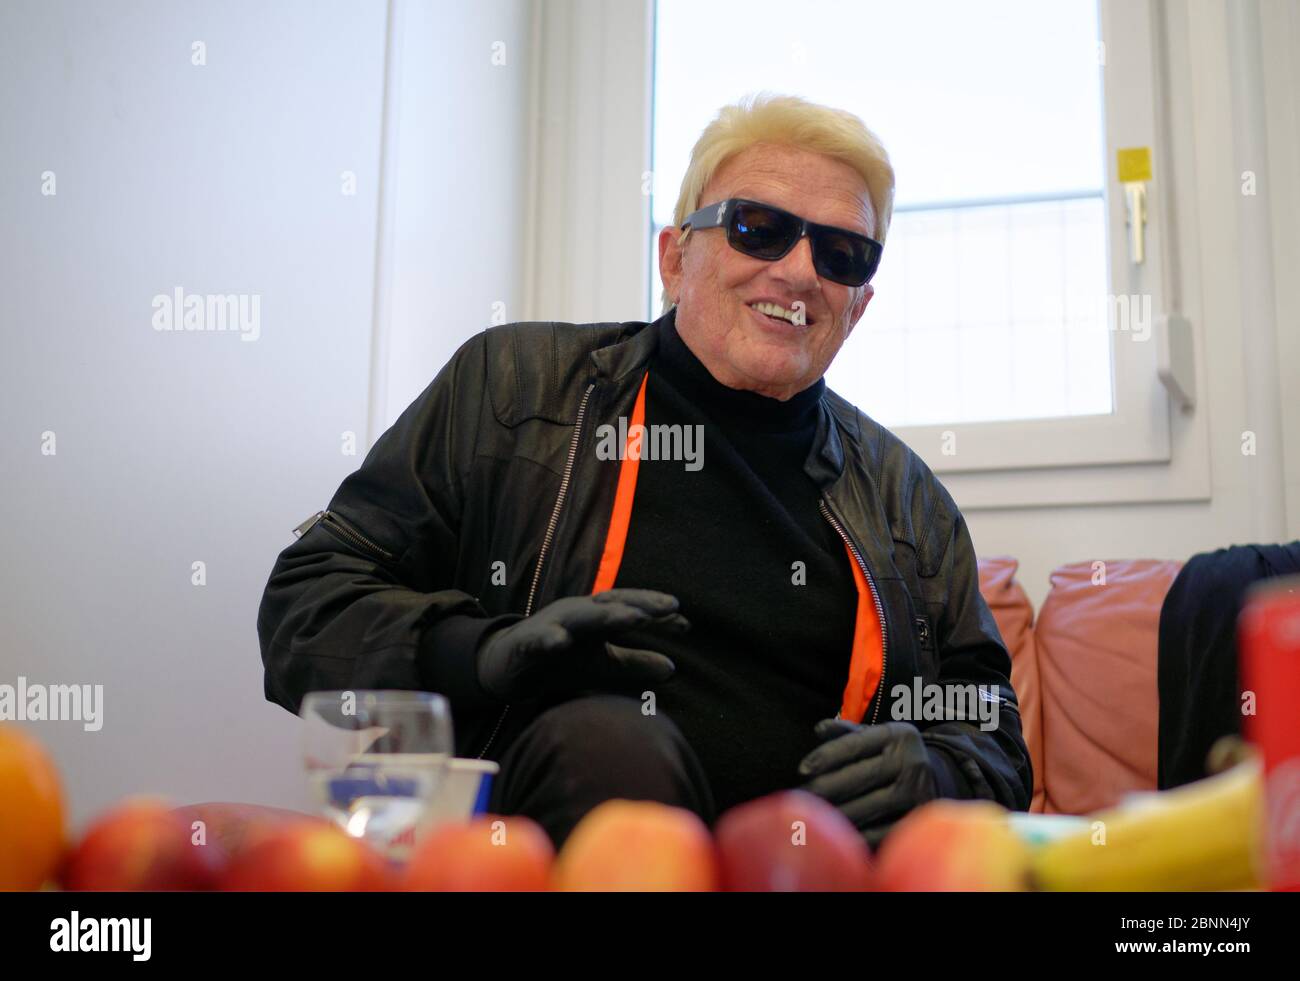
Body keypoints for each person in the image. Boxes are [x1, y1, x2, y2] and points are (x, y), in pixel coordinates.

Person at [258, 92, 1032, 850]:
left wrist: (941, 769)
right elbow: (307, 605)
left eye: (841, 253)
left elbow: (988, 722)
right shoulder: (513, 390)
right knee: (606, 743)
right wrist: (482, 651)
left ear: (857, 304)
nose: (799, 272)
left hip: (808, 865)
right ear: (674, 257)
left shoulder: (909, 501)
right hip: (546, 839)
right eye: (757, 228)